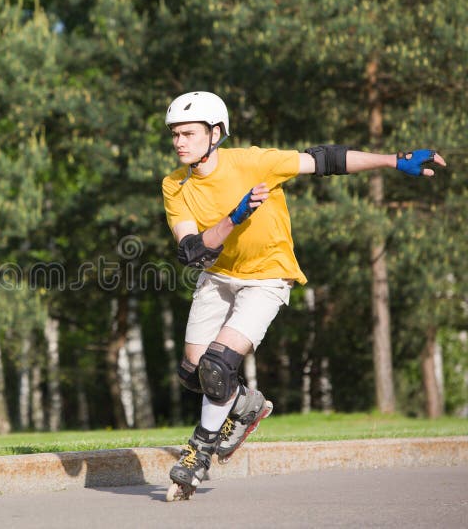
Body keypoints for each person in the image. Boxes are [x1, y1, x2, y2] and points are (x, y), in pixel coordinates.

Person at [161, 91, 446, 501]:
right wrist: (234, 218)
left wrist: (394, 160)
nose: (179, 142)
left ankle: (197, 455)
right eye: (175, 134)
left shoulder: (255, 162)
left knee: (218, 367)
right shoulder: (175, 184)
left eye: (188, 133)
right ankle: (248, 405)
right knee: (193, 373)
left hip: (268, 276)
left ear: (216, 132)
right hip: (217, 276)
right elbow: (191, 250)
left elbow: (326, 159)